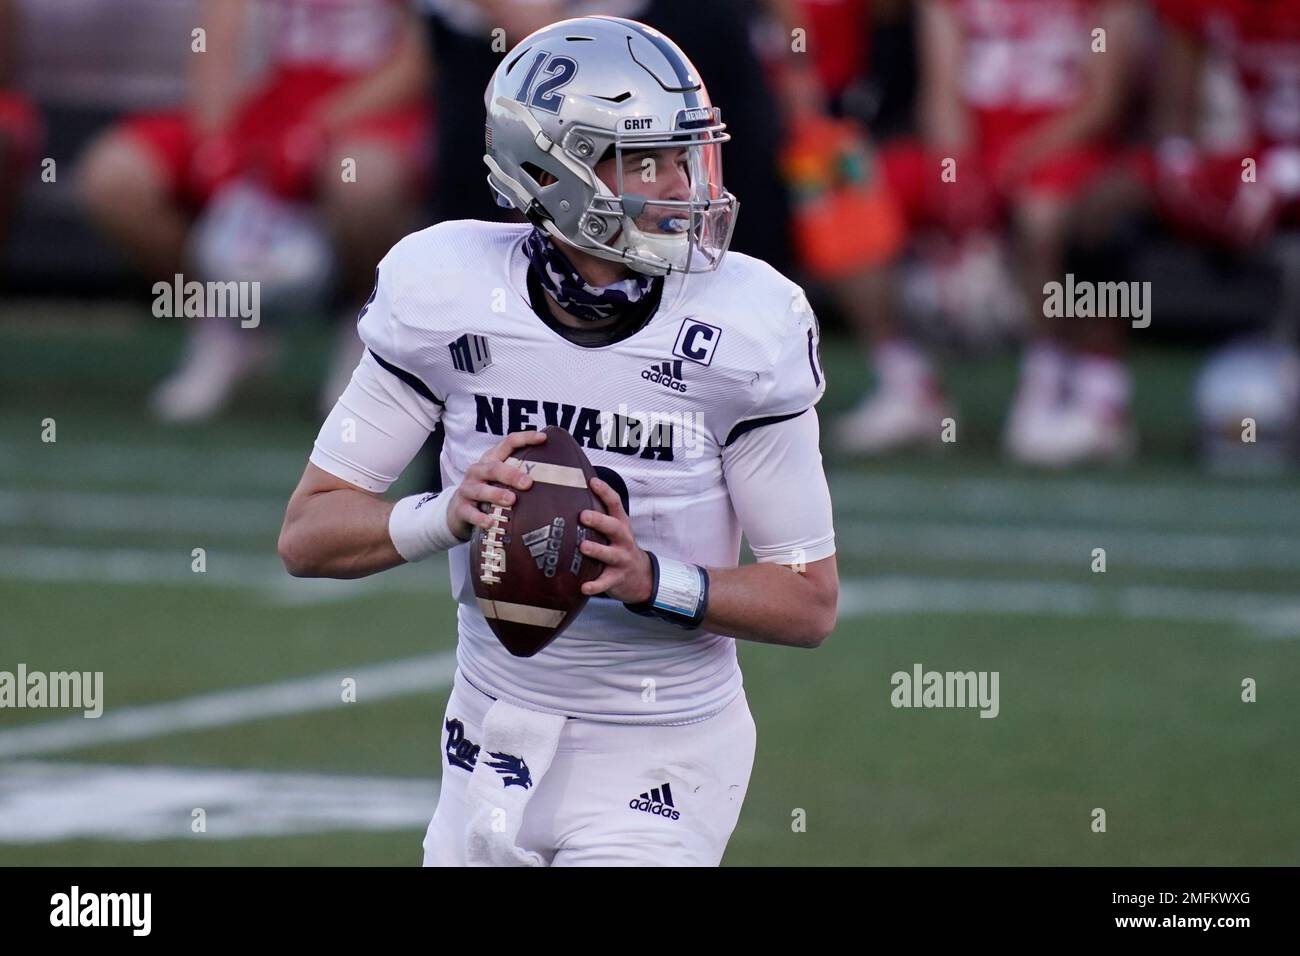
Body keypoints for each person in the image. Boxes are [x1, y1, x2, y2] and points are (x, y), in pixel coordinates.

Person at [278, 16, 838, 866]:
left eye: (687, 154)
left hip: (662, 750)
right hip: (485, 736)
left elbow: (809, 601)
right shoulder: (448, 288)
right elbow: (307, 535)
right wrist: (445, 515)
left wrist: (655, 579)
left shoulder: (746, 324)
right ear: (554, 170)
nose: (684, 181)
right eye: (649, 158)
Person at [77, 0, 431, 421]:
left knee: (362, 181)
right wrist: (217, 139)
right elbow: (217, 37)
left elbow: (422, 57)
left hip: (376, 111)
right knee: (115, 177)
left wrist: (319, 126)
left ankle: (365, 335)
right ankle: (225, 323)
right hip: (272, 108)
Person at [835, 0, 1142, 466]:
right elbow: (943, 90)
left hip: (1063, 148)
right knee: (848, 191)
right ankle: (907, 382)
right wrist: (959, 189)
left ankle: (1047, 385)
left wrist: (1022, 158)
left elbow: (1104, 100)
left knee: (1044, 213)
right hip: (975, 151)